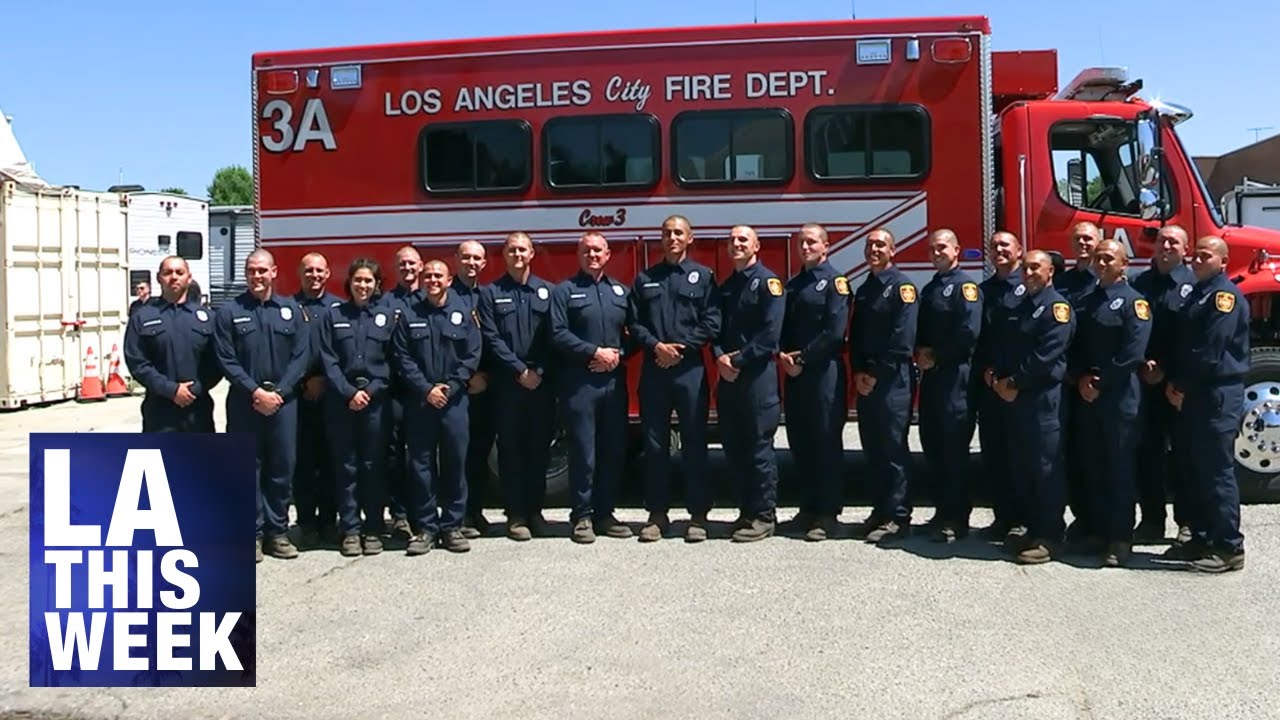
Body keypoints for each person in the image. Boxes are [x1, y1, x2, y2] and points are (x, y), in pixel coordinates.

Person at [213, 249, 312, 563]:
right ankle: (252, 535)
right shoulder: (229, 312)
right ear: (246, 274)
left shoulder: (290, 310)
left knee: (281, 469)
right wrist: (255, 391)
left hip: (284, 404)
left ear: (274, 272)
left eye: (262, 270)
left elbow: (302, 356)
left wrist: (279, 393)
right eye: (251, 271)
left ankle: (277, 533)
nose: (257, 276)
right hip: (245, 403)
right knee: (247, 469)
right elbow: (226, 359)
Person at [628, 215, 720, 543]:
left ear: (690, 237)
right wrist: (657, 346)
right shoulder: (645, 279)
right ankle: (656, 514)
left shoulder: (704, 277)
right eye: (667, 233)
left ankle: (698, 515)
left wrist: (681, 348)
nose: (672, 238)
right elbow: (634, 323)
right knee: (655, 444)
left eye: (678, 232)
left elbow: (712, 321)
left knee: (695, 443)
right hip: (655, 370)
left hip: (689, 369)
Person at [1164, 236, 1248, 573]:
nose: (1197, 260)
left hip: (1215, 393)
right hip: (1193, 392)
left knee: (1216, 472)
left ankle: (1228, 546)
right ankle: (1201, 537)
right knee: (1193, 469)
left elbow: (1210, 349)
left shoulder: (1224, 297)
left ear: (1223, 262)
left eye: (1206, 255)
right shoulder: (1197, 294)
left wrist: (1181, 384)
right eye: (1195, 255)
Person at [1068, 239, 1152, 566]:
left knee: (1119, 471)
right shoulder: (1086, 302)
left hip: (1118, 399)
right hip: (1087, 397)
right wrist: (1079, 379)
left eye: (1109, 258)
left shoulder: (1135, 303)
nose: (1101, 263)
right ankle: (1096, 531)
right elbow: (1073, 346)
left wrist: (1100, 383)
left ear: (1124, 264)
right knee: (1092, 467)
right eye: (1098, 258)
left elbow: (1132, 353)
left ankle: (1119, 539)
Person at [391, 259, 482, 555]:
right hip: (421, 401)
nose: (432, 280)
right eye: (427, 275)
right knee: (420, 466)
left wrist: (452, 386)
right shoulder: (409, 314)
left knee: (455, 463)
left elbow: (472, 354)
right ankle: (426, 528)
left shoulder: (463, 313)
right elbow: (402, 357)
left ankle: (452, 526)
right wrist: (426, 389)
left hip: (455, 401)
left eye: (438, 275)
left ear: (448, 278)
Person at [990, 249, 1074, 564]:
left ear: (1050, 272)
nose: (1028, 272)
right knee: (1022, 465)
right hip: (1015, 397)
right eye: (1025, 267)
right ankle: (1031, 528)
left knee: (1044, 468)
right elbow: (1004, 344)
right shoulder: (1019, 304)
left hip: (1041, 398)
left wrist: (1013, 383)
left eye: (1035, 267)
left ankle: (1050, 536)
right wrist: (999, 377)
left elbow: (1047, 354)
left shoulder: (1057, 308)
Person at [550, 232, 633, 544]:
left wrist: (617, 355)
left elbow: (634, 332)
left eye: (598, 250)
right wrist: (593, 352)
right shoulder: (565, 292)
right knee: (583, 451)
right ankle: (581, 516)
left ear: (608, 254)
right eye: (587, 251)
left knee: (612, 451)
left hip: (613, 382)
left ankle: (605, 513)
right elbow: (557, 333)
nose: (592, 255)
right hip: (579, 384)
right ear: (578, 254)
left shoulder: (620, 292)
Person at [477, 232, 557, 541]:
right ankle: (516, 515)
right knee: (510, 451)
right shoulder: (491, 293)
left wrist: (538, 370)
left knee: (539, 449)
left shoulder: (547, 292)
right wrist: (519, 369)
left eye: (523, 249)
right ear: (505, 254)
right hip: (508, 384)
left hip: (540, 383)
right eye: (512, 250)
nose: (518, 254)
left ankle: (535, 512)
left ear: (532, 253)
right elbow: (491, 338)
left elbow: (555, 336)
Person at [318, 258, 395, 557]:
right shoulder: (333, 315)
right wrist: (349, 392)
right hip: (342, 403)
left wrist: (372, 390)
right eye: (358, 280)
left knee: (373, 465)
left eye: (369, 281)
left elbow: (393, 360)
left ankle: (373, 527)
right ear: (349, 282)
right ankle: (350, 529)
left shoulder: (387, 316)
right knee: (346, 466)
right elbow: (328, 359)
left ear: (377, 285)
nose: (363, 285)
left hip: (376, 404)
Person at [713, 224, 785, 543]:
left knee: (758, 448)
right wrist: (718, 357)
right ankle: (745, 511)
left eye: (743, 239)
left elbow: (770, 336)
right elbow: (714, 329)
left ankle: (764, 515)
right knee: (735, 447)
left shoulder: (768, 283)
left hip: (756, 378)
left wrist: (736, 360)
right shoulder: (727, 286)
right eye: (732, 241)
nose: (736, 244)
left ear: (757, 245)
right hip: (729, 379)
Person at [777, 223, 848, 542]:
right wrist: (783, 357)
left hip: (823, 375)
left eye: (811, 242)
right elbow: (783, 329)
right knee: (801, 442)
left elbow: (834, 333)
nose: (805, 247)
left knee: (825, 444)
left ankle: (827, 513)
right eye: (801, 243)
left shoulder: (836, 283)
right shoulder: (794, 285)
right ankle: (807, 508)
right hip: (797, 376)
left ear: (826, 246)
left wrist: (800, 359)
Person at [848, 227, 918, 545]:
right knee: (873, 448)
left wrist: (874, 373)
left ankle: (898, 516)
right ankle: (880, 511)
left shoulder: (902, 288)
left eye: (880, 245)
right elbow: (858, 336)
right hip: (869, 379)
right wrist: (859, 371)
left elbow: (902, 339)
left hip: (892, 380)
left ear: (893, 250)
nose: (874, 249)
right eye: (870, 245)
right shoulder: (865, 289)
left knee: (892, 449)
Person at [915, 229, 982, 543]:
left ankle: (956, 519)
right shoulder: (931, 288)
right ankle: (941, 512)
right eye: (932, 248)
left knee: (954, 451)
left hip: (956, 377)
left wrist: (936, 356)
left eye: (942, 247)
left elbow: (969, 332)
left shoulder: (965, 288)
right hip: (933, 378)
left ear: (957, 250)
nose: (936, 252)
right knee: (934, 448)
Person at [1132, 225, 1196, 544]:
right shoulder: (1140, 283)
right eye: (1162, 241)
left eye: (1174, 241)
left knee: (1184, 454)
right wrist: (1143, 364)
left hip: (1178, 385)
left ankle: (1186, 523)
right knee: (1148, 454)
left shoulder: (1194, 286)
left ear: (1186, 249)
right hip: (1144, 381)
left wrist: (1169, 371)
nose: (1166, 245)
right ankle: (1151, 522)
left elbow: (1195, 340)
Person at [123, 256, 222, 433]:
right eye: (167, 273)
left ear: (189, 278)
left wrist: (195, 388)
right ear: (158, 278)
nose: (174, 277)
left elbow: (217, 361)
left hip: (198, 410)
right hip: (159, 411)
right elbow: (137, 361)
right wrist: (171, 390)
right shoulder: (143, 317)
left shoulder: (207, 318)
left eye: (179, 272)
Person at [973, 231, 1027, 543]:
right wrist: (986, 372)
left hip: (1018, 387)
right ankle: (1002, 517)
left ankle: (1021, 520)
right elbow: (979, 339)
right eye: (994, 246)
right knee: (994, 455)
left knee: (1019, 456)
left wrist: (1014, 378)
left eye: (1006, 245)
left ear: (1019, 251)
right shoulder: (984, 290)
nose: (999, 250)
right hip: (989, 384)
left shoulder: (1027, 289)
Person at [292, 252, 344, 548]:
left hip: (332, 394)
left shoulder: (338, 308)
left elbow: (342, 353)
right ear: (300, 273)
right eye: (308, 270)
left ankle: (329, 521)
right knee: (303, 462)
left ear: (327, 274)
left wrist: (325, 379)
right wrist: (303, 382)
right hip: (299, 396)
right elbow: (287, 354)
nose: (314, 275)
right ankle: (306, 522)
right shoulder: (288, 307)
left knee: (331, 461)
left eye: (319, 271)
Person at [1055, 221, 1101, 546]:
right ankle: (1082, 521)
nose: (1083, 243)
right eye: (1078, 239)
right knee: (1072, 455)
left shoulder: (1109, 284)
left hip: (1100, 385)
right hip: (1069, 381)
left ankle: (1102, 526)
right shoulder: (1064, 283)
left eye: (1088, 238)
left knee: (1100, 457)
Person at [382, 245, 425, 540]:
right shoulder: (384, 303)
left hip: (425, 391)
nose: (408, 268)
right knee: (395, 454)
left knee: (423, 456)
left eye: (412, 263)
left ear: (420, 266)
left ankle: (424, 514)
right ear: (395, 268)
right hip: (395, 390)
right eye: (402, 264)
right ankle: (399, 515)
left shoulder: (432, 300)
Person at [452, 240, 494, 539]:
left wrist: (487, 377)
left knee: (478, 452)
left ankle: (474, 510)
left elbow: (493, 340)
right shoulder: (444, 295)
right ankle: (457, 515)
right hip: (454, 389)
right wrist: (462, 378)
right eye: (465, 257)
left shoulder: (487, 297)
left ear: (484, 263)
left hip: (484, 387)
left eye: (476, 258)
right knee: (455, 455)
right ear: (456, 260)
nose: (470, 262)